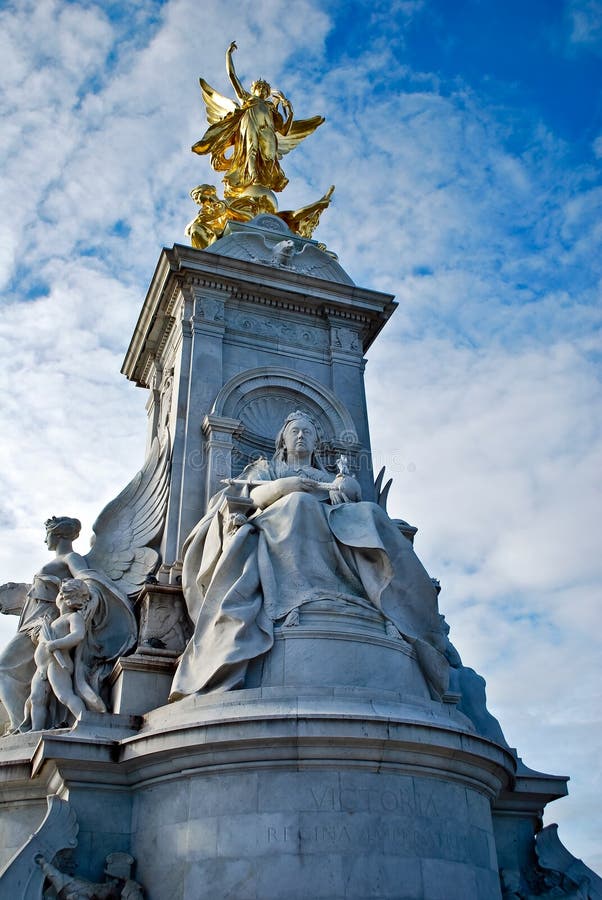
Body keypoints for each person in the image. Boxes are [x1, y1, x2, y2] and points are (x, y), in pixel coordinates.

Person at [171, 411, 449, 699]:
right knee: (300, 504)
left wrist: (347, 491)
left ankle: (387, 606)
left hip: (333, 524)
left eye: (307, 432)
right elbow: (248, 497)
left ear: (317, 442)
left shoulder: (327, 476)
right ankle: (299, 599)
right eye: (295, 432)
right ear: (283, 440)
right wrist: (281, 488)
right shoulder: (268, 469)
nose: (301, 436)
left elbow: (349, 502)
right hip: (277, 520)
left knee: (371, 513)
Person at [192, 42, 324, 196]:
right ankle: (253, 176)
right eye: (259, 87)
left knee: (269, 158)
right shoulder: (248, 99)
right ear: (253, 89)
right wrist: (228, 55)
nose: (262, 90)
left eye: (265, 89)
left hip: (267, 131)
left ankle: (263, 179)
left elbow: (284, 131)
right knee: (251, 150)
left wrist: (290, 113)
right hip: (250, 126)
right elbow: (232, 76)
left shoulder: (271, 108)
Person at [25, 579, 90, 731]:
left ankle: (85, 722)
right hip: (42, 666)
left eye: (60, 593)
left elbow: (78, 635)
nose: (58, 596)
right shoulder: (54, 621)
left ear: (65, 598)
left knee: (64, 695)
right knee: (36, 698)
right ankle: (36, 729)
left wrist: (55, 644)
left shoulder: (73, 617)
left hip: (58, 663)